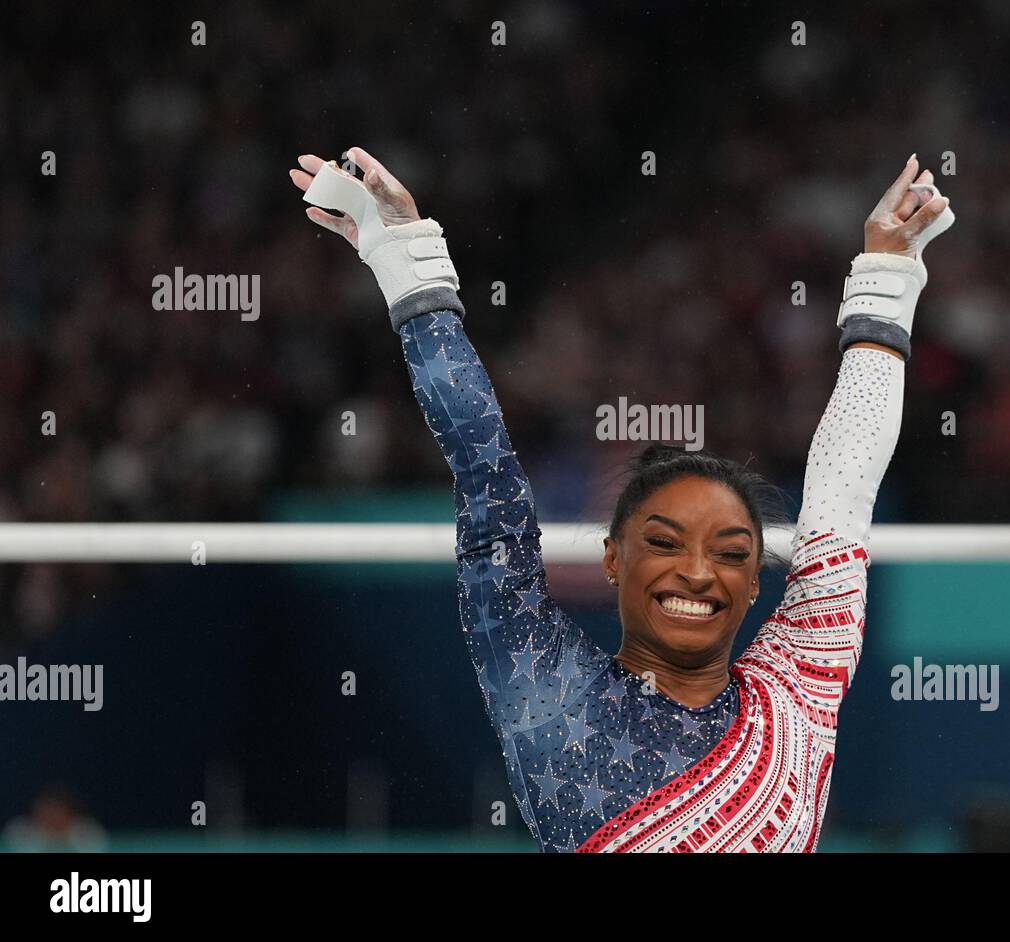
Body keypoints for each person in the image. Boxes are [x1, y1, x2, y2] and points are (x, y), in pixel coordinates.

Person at [288, 147, 953, 852]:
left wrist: (888, 272)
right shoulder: (545, 690)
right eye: (664, 543)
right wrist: (405, 260)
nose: (698, 572)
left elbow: (842, 496)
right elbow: (488, 482)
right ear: (613, 559)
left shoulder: (797, 695)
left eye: (730, 553)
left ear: (757, 580)